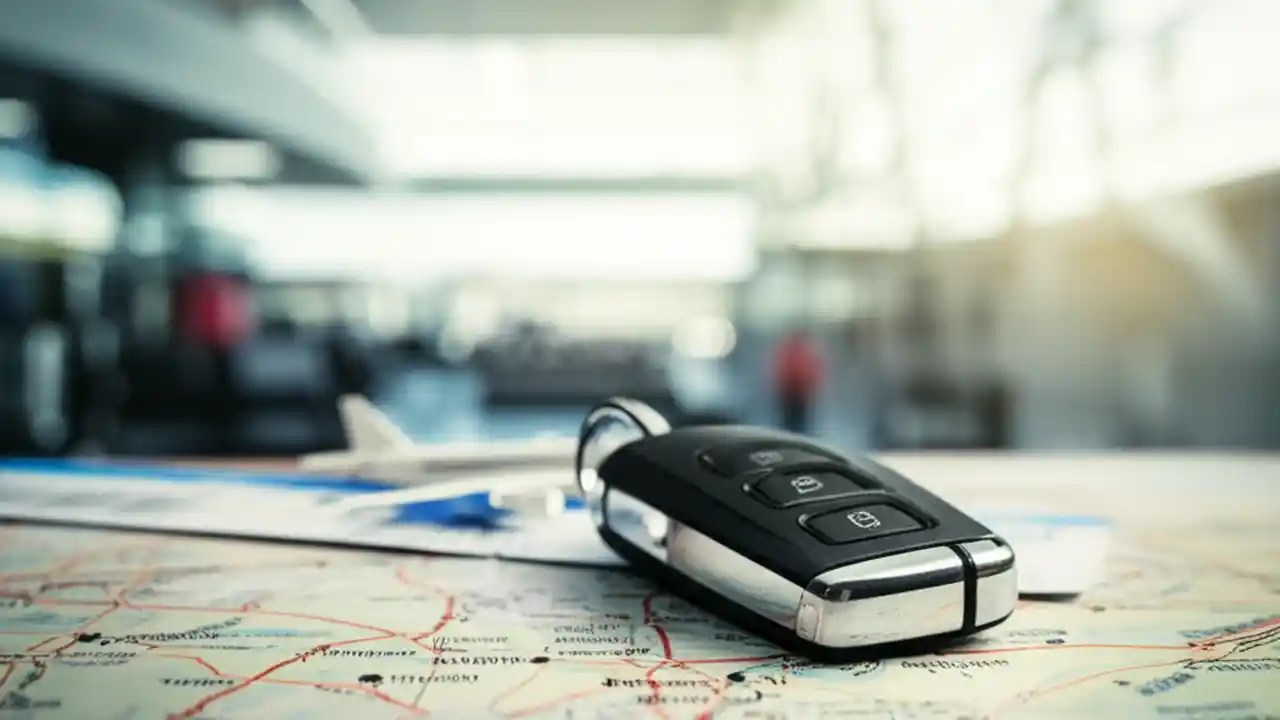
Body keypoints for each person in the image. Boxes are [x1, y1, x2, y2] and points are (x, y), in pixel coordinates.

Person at [772, 331, 824, 433]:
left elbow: (813, 371)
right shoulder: (800, 352)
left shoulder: (797, 352)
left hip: (799, 392)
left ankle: (794, 435)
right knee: (791, 419)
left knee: (796, 419)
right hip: (791, 392)